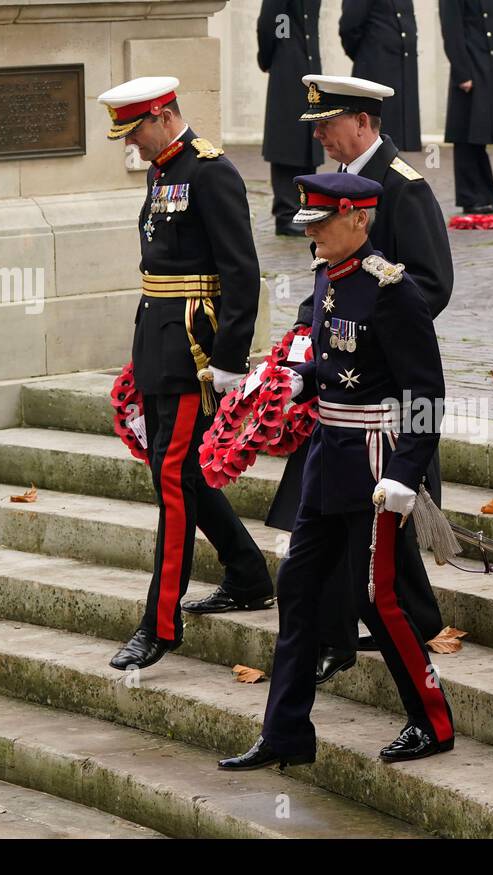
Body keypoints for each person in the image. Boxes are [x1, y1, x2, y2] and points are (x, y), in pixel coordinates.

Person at [184, 75, 452, 687]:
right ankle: (346, 632)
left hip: (380, 390)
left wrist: (363, 336)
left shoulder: (403, 187)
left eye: (329, 123)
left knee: (370, 519)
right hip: (332, 380)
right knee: (333, 516)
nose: (320, 134)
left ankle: (397, 628)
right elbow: (325, 283)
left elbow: (431, 285)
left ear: (363, 121)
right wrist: (306, 347)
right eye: (316, 125)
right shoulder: (325, 192)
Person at [219, 172, 456, 770]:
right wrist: (295, 379)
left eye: (322, 223)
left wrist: (407, 473)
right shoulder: (328, 273)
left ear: (358, 218)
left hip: (376, 462)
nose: (313, 234)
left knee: (379, 599)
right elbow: (326, 355)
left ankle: (432, 722)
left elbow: (425, 392)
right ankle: (286, 733)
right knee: (298, 590)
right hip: (328, 456)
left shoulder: (392, 290)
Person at [95, 76, 275, 672]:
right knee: (180, 474)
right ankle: (248, 574)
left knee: (173, 481)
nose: (133, 145)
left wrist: (228, 360)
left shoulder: (210, 171)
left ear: (166, 115)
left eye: (137, 130)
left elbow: (241, 273)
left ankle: (159, 625)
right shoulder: (163, 170)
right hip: (159, 342)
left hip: (195, 355)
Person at [439, 0, 493, 214]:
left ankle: (487, 195)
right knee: (466, 136)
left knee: (480, 136)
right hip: (471, 67)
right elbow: (451, 29)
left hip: (492, 67)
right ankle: (470, 197)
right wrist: (462, 72)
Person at [257, 0, 325, 235]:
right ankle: (287, 213)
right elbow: (270, 23)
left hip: (308, 63)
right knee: (288, 135)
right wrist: (270, 60)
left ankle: (305, 207)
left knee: (309, 134)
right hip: (287, 63)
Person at [339, 0, 422, 152]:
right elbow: (349, 27)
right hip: (376, 69)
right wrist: (367, 55)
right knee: (374, 142)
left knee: (396, 146)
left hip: (402, 72)